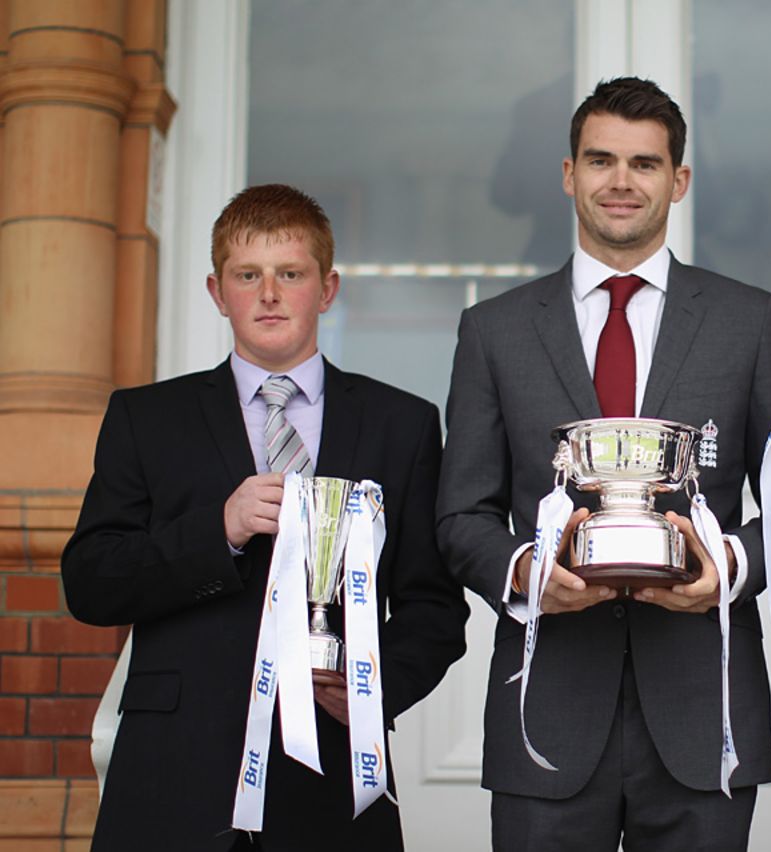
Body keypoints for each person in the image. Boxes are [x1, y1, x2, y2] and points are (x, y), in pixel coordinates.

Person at [437, 77, 771, 851]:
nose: (621, 181)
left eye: (644, 164)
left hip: (703, 711)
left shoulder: (751, 320)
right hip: (543, 712)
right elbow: (460, 514)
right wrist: (525, 572)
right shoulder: (495, 331)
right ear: (568, 173)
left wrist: (731, 566)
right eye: (601, 160)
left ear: (678, 180)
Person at [61, 184, 469, 852]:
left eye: (291, 274)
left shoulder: (403, 425)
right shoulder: (146, 418)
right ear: (218, 292)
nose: (269, 294)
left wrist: (374, 687)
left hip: (331, 772)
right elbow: (91, 582)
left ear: (327, 288)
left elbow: (433, 605)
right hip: (175, 770)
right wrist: (216, 529)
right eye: (248, 276)